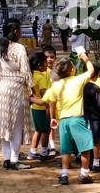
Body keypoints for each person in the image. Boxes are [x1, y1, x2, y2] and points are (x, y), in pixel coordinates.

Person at [40, 46, 96, 185]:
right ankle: (84, 173)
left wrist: (29, 98)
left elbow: (43, 101)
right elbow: (91, 70)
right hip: (77, 119)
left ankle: (64, 175)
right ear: (72, 70)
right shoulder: (77, 80)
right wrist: (85, 58)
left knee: (65, 149)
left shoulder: (57, 85)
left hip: (63, 121)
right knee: (85, 147)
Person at [0, 18, 33, 171]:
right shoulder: (19, 48)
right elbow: (26, 71)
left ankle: (6, 159)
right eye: (19, 30)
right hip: (15, 90)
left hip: (1, 89)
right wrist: (32, 89)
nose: (20, 32)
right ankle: (14, 159)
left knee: (4, 125)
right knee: (17, 126)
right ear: (15, 31)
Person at [27, 50, 54, 160]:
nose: (47, 63)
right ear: (39, 65)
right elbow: (44, 96)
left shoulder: (33, 75)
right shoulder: (41, 78)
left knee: (38, 130)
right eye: (44, 62)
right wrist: (48, 108)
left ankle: (32, 151)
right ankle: (43, 152)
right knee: (46, 131)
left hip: (35, 107)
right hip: (42, 108)